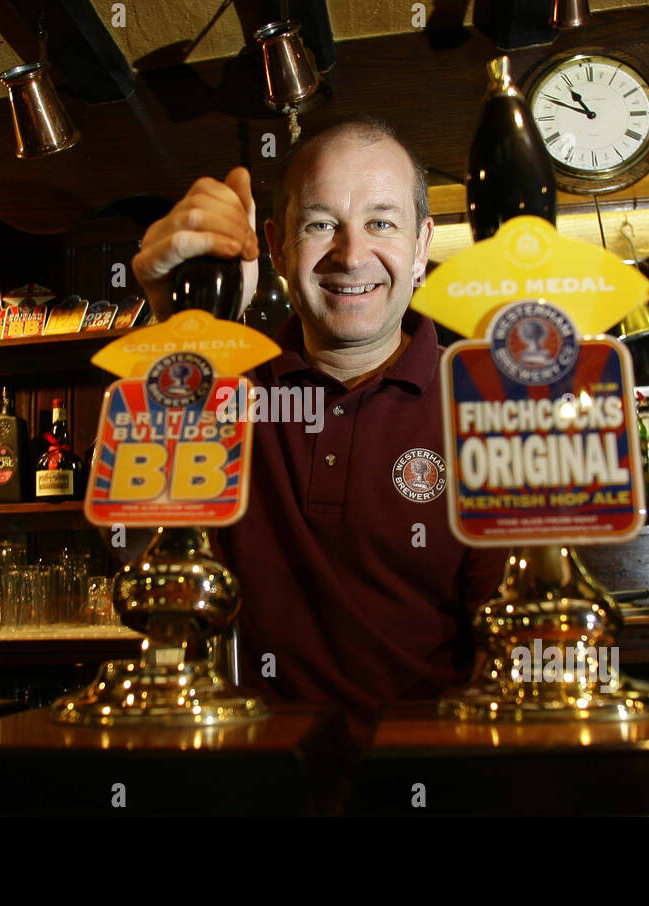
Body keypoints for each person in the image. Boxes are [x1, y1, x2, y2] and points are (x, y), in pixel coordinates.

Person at [131, 114, 506, 739]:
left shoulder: (487, 406)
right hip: (248, 781)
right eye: (321, 224)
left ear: (421, 246)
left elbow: (507, 644)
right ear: (276, 247)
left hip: (431, 782)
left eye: (381, 222)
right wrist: (179, 329)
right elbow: (132, 556)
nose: (351, 254)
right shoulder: (221, 393)